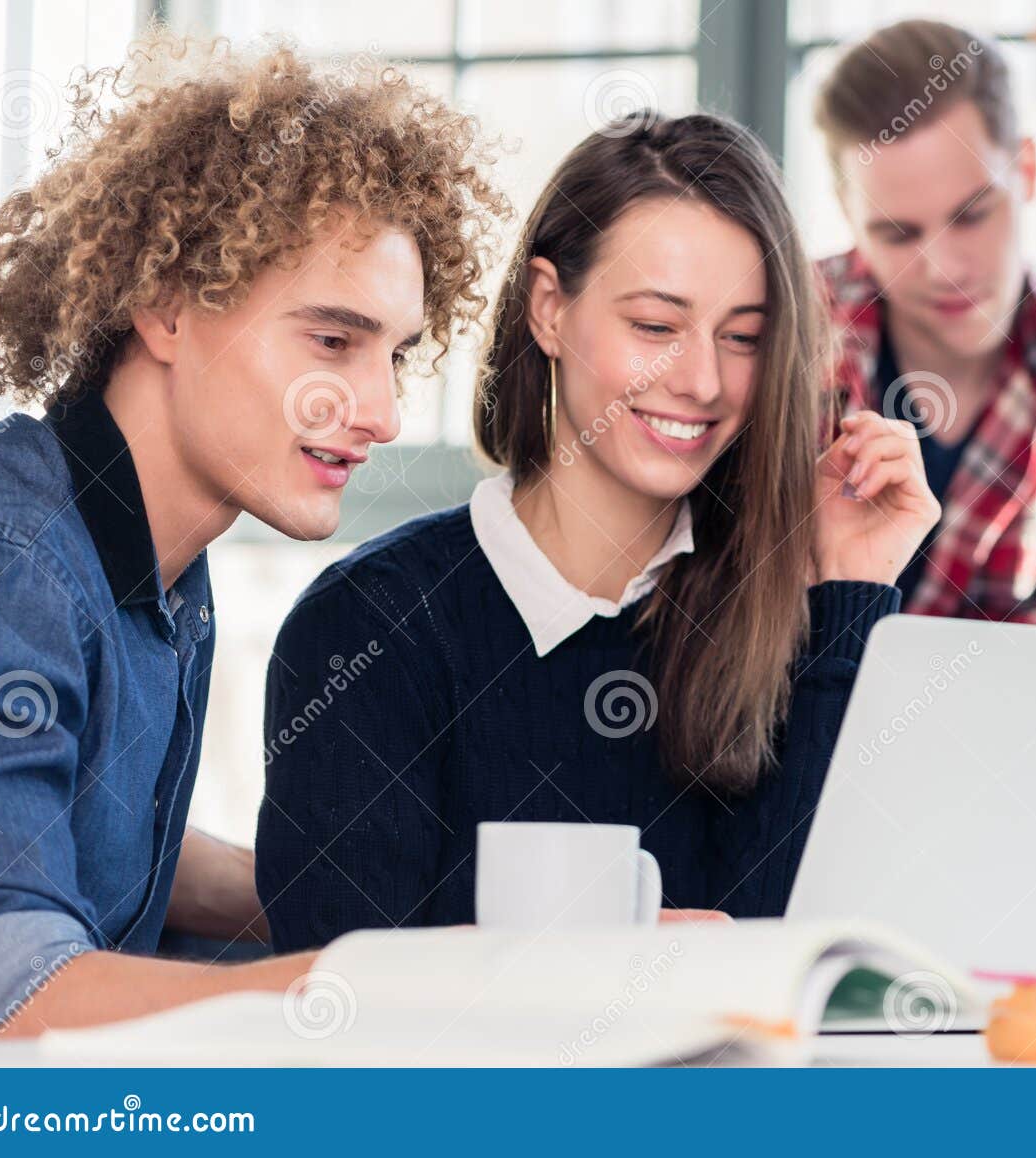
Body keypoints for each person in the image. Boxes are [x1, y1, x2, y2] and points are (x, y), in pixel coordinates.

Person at [255, 112, 939, 951]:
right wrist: (602, 958)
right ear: (549, 309)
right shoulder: (370, 626)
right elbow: (340, 985)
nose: (702, 381)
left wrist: (852, 588)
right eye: (655, 327)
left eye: (743, 338)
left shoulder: (795, 625)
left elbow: (817, 953)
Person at [0, 33, 507, 1040]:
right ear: (166, 308)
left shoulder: (159, 561)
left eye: (396, 355)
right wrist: (386, 987)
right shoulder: (6, 562)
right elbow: (4, 992)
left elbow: (83, 840)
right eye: (333, 341)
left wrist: (396, 912)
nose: (383, 414)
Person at [811, 19, 1036, 629]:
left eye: (972, 215)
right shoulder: (779, 329)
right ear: (848, 214)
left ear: (1027, 169)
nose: (944, 269)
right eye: (897, 234)